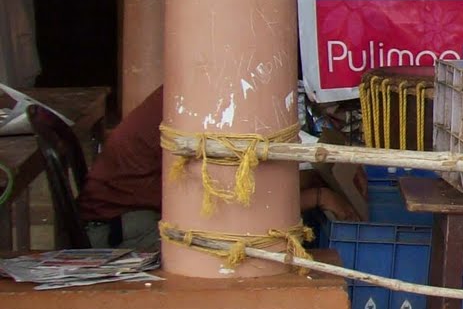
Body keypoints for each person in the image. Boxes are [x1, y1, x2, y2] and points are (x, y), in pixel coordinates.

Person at [78, 86, 355, 250]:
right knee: (239, 246)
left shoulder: (190, 91)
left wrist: (315, 180)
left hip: (129, 214)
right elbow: (232, 206)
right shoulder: (199, 109)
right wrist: (320, 197)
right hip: (120, 229)